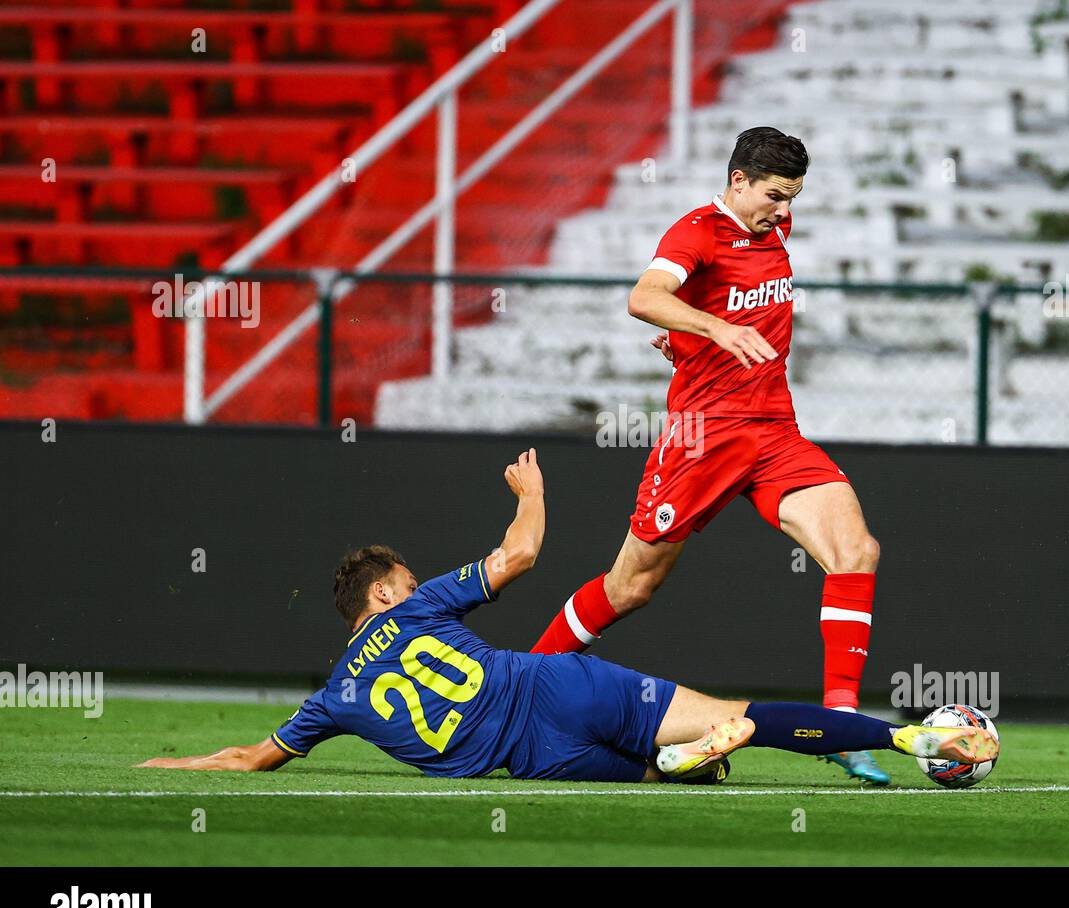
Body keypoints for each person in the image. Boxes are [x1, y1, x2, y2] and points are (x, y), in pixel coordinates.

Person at [136, 450, 997, 782]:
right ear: (386, 594)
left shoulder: (332, 700)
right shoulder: (419, 608)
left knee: (679, 779)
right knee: (743, 724)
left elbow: (249, 759)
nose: (417, 579)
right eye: (406, 575)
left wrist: (166, 764)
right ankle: (907, 741)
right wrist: (532, 493)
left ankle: (675, 766)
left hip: (537, 763)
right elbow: (520, 556)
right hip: (556, 688)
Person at [528, 127, 892, 784]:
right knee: (632, 586)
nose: (785, 211)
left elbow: (717, 302)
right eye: (776, 196)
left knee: (856, 551)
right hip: (702, 440)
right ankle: (525, 687)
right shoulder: (696, 231)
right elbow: (645, 298)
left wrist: (698, 334)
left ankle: (843, 724)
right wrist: (711, 329)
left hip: (776, 431)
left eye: (793, 198)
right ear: (738, 183)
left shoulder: (773, 231)